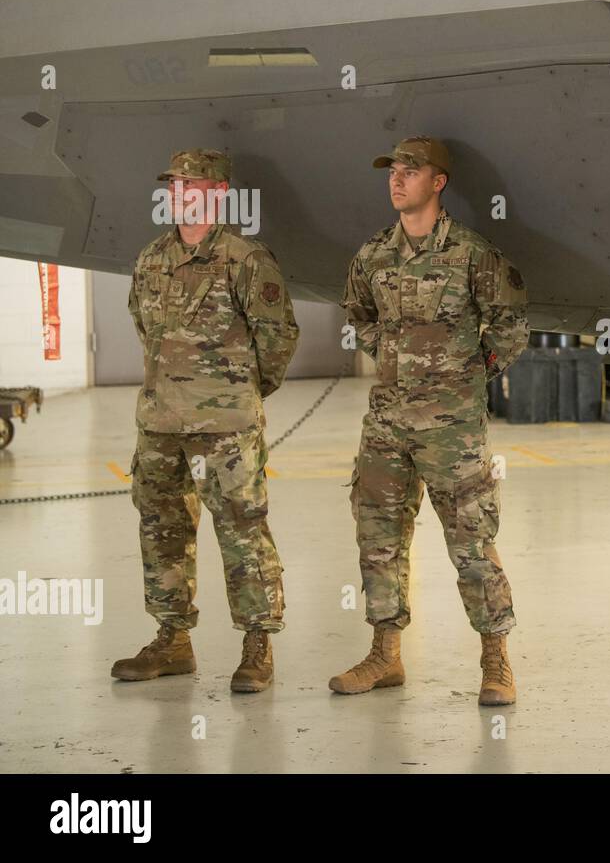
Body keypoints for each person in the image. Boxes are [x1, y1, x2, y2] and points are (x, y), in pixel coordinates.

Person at [330, 136, 528, 705]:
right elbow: (359, 316)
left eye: (410, 171)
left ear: (438, 182)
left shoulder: (472, 254)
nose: (397, 179)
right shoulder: (372, 255)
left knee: (471, 540)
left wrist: (463, 376)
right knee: (379, 538)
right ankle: (384, 656)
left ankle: (496, 661)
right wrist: (391, 359)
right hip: (387, 420)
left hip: (453, 426)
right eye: (393, 170)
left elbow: (511, 327)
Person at [113, 148, 298, 693]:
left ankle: (258, 643)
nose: (179, 194)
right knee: (161, 528)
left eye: (190, 185)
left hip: (227, 426)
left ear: (218, 193)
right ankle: (172, 640)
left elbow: (278, 339)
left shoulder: (247, 260)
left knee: (242, 529)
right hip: (159, 422)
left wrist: (239, 393)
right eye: (173, 186)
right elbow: (144, 329)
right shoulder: (151, 259)